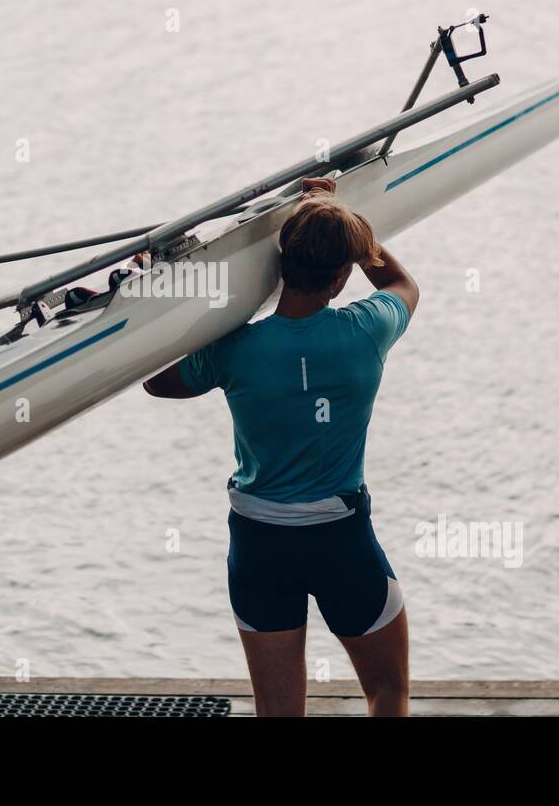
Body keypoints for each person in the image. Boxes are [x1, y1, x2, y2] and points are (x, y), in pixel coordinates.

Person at [143, 177, 418, 716]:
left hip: (260, 547)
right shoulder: (368, 330)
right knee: (387, 690)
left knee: (277, 712)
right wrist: (345, 219)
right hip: (342, 544)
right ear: (341, 276)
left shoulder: (235, 348)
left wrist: (223, 311)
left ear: (281, 265)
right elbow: (403, 283)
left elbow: (156, 381)